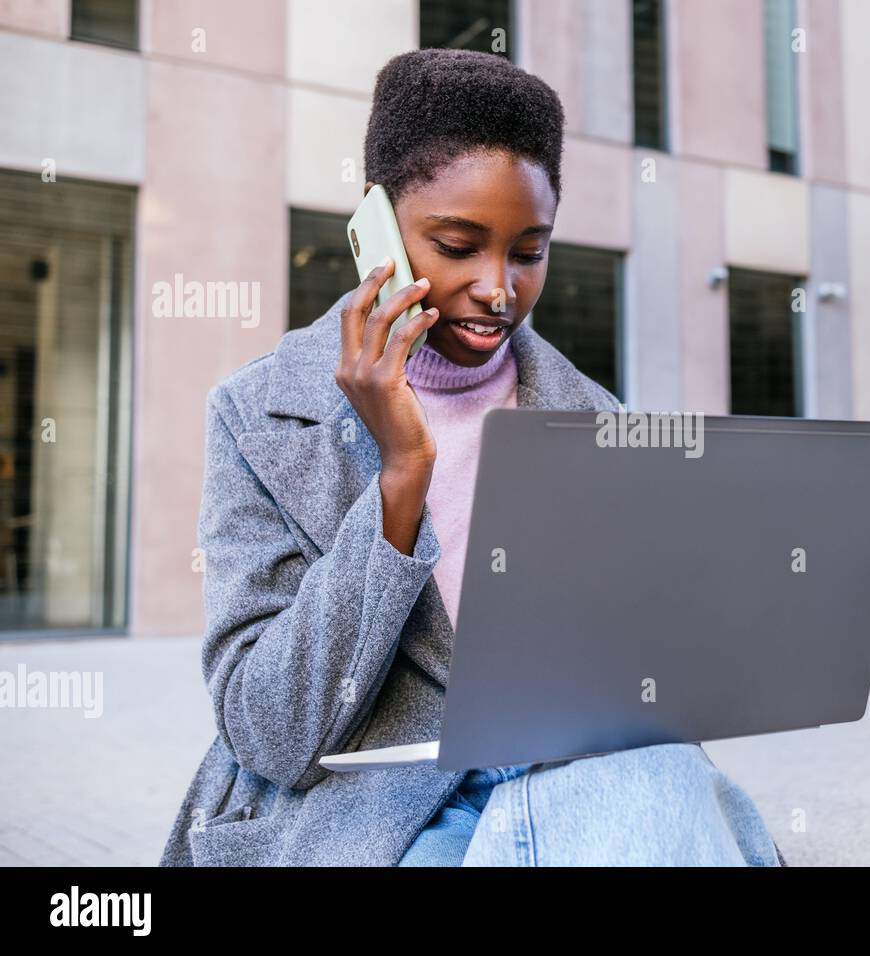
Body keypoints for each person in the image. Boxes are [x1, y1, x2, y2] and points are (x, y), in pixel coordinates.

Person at [159, 47, 784, 867]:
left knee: (661, 786)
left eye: (529, 252)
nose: (500, 289)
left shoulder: (597, 417)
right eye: (458, 245)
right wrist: (400, 483)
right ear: (375, 226)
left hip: (578, 781)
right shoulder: (259, 417)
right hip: (379, 816)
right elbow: (272, 734)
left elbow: (641, 684)